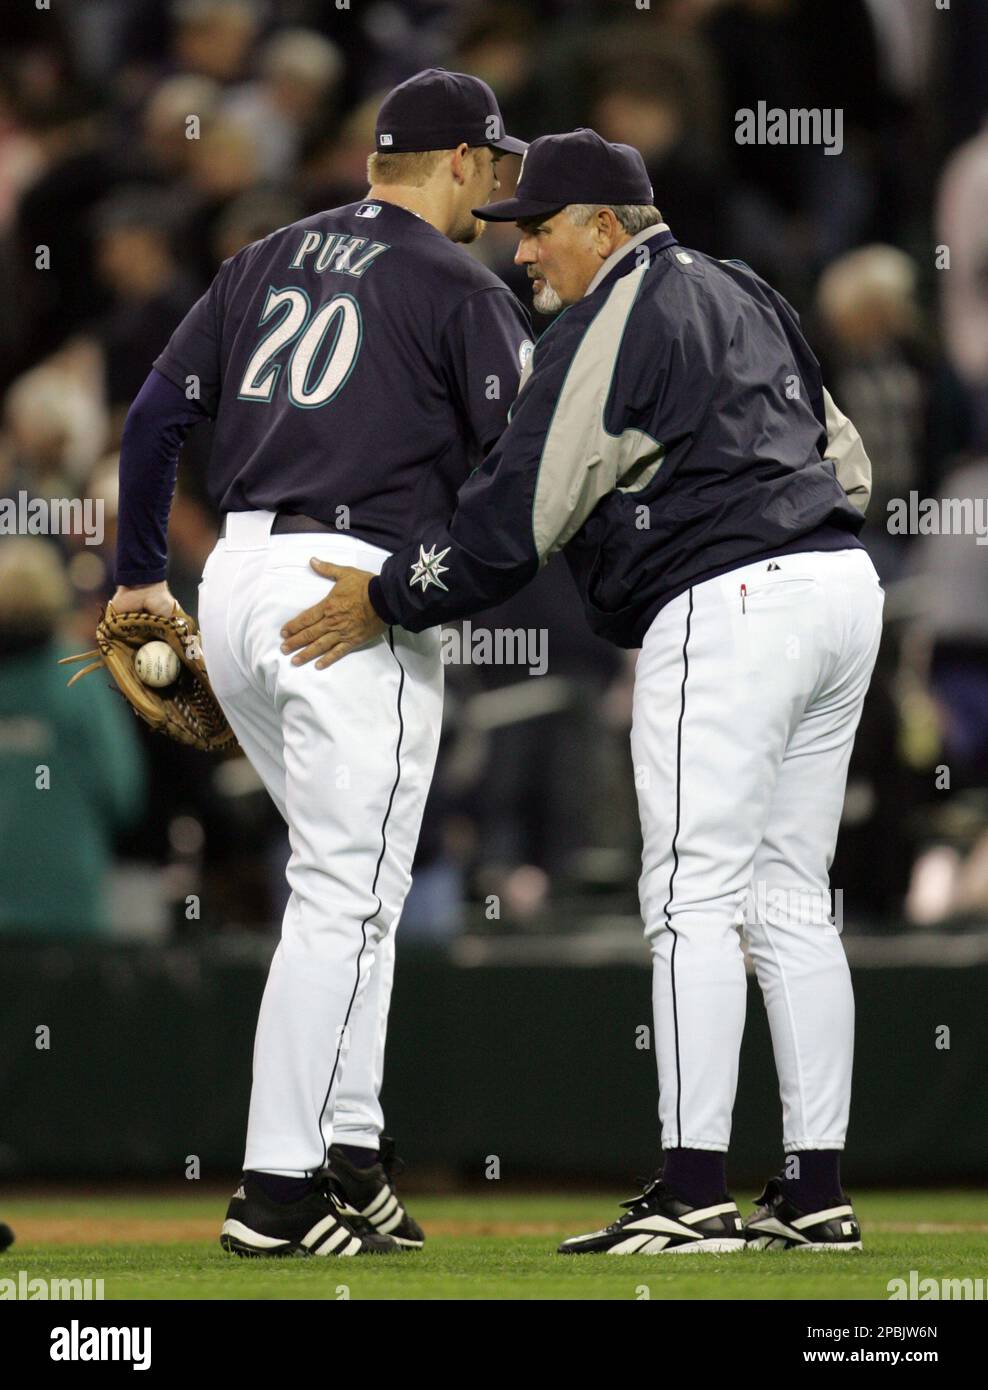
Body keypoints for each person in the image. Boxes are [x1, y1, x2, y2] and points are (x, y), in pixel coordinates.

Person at [282, 129, 883, 1255]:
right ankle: (813, 1188)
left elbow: (514, 518)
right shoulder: (746, 287)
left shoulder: (614, 314)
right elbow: (844, 458)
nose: (522, 255)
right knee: (790, 898)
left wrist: (393, 596)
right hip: (840, 587)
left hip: (732, 597)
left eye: (540, 230)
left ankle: (693, 1188)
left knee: (689, 894)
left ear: (605, 225)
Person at [108, 69, 531, 1257]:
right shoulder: (459, 282)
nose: (492, 187)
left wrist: (140, 577)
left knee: (361, 893)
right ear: (456, 164)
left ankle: (350, 1156)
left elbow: (152, 419)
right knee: (344, 898)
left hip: (234, 584)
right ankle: (275, 1193)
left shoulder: (262, 256)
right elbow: (518, 480)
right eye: (488, 165)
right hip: (350, 596)